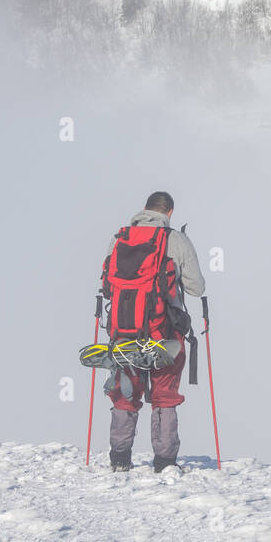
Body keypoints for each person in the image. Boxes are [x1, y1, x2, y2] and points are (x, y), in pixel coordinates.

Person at [102, 191, 205, 473]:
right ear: (169, 212)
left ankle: (120, 459)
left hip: (124, 330)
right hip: (165, 333)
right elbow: (197, 288)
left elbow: (108, 286)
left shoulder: (120, 238)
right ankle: (165, 463)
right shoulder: (176, 239)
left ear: (144, 209)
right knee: (164, 394)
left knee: (125, 391)